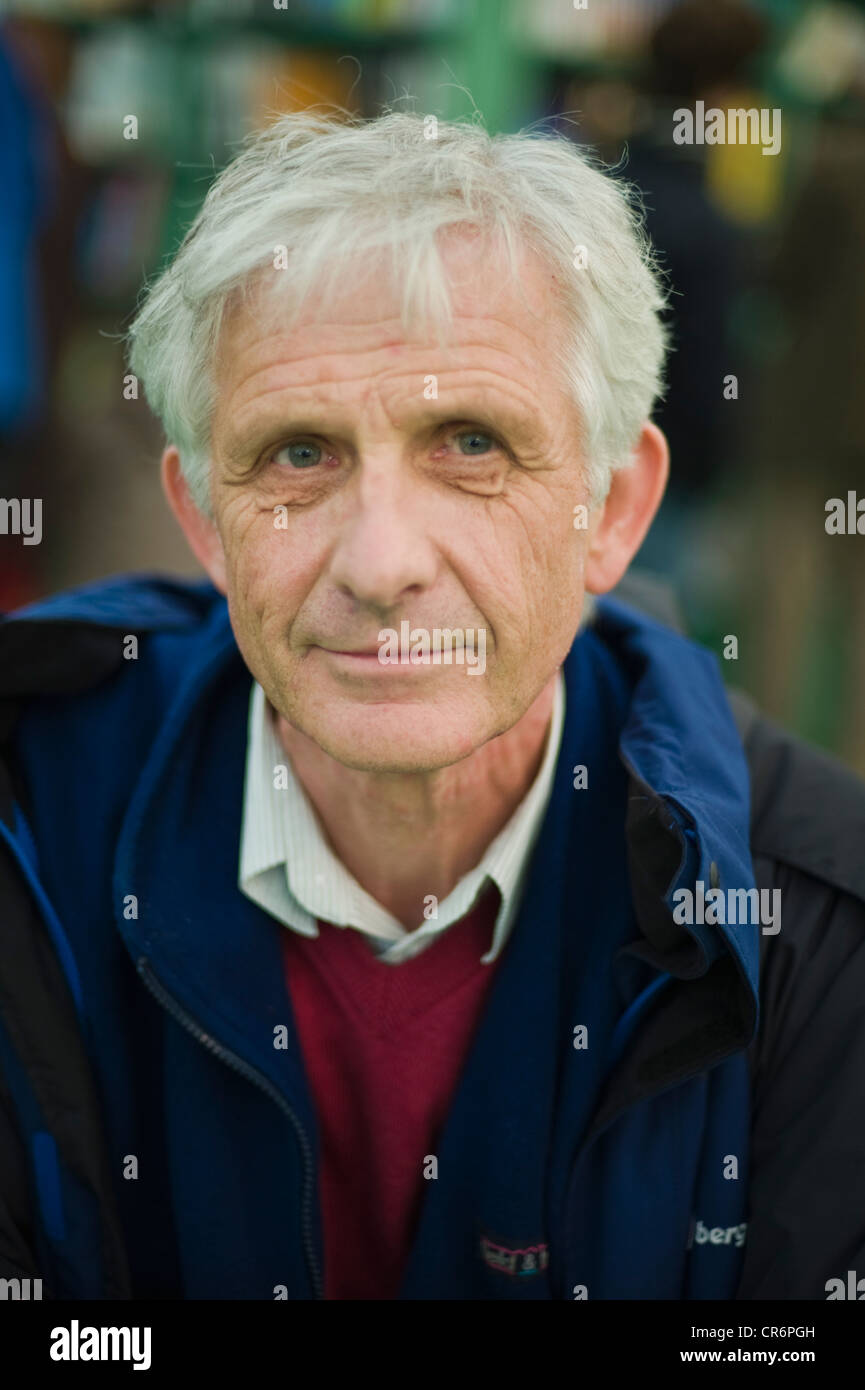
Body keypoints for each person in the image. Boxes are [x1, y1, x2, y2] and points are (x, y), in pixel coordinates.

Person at [0, 110, 863, 1302]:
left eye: (470, 441)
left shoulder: (817, 919)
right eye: (298, 454)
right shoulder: (25, 825)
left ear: (612, 511)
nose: (379, 559)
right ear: (202, 520)